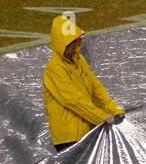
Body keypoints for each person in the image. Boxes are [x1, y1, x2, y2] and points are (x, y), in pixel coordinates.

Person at [43, 14, 124, 150]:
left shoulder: (80, 61)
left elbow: (95, 87)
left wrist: (113, 109)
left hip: (86, 131)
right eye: (69, 43)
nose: (73, 46)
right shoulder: (54, 68)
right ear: (60, 44)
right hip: (68, 137)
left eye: (75, 41)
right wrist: (101, 117)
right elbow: (73, 99)